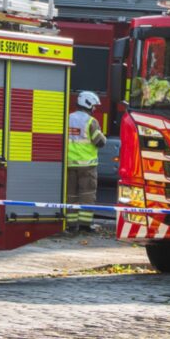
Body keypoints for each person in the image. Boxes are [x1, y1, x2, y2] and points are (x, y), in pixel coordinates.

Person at [65, 90, 107, 232]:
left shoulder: (68, 118)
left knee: (70, 195)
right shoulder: (90, 121)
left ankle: (71, 225)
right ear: (88, 104)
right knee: (87, 195)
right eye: (94, 106)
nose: (94, 109)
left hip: (69, 164)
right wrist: (103, 136)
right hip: (87, 166)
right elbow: (100, 142)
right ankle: (85, 225)